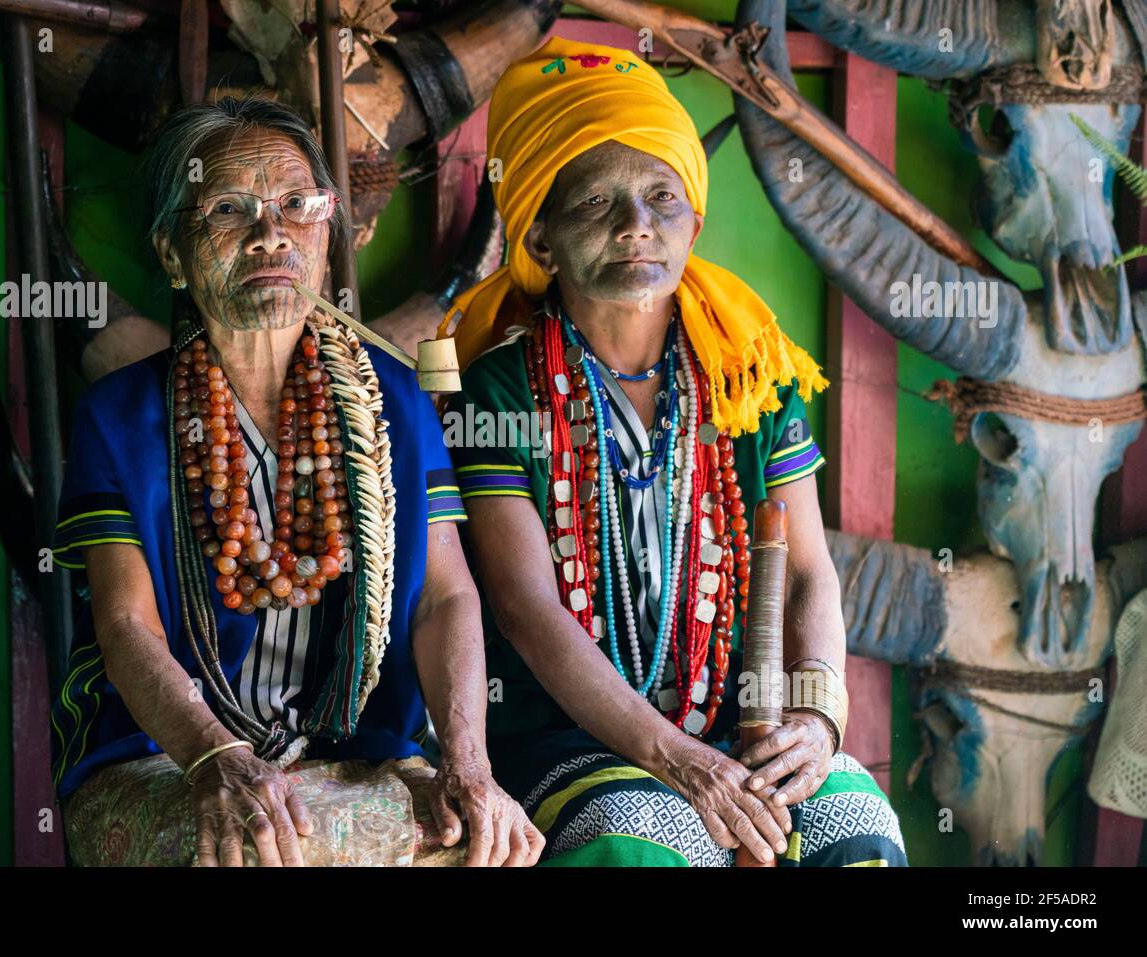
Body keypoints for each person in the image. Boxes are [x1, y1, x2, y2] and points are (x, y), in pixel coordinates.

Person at [442, 36, 907, 867]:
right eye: (596, 203)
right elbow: (527, 609)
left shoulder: (749, 372)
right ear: (541, 241)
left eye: (662, 197)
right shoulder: (500, 394)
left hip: (742, 725)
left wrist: (816, 715)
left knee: (853, 824)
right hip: (567, 736)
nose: (637, 227)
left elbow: (808, 571)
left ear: (695, 220)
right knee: (638, 841)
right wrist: (675, 758)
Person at [49, 93, 542, 867]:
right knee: (244, 849)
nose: (269, 234)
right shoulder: (119, 416)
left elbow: (446, 596)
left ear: (326, 230)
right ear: (174, 254)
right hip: (163, 750)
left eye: (294, 205)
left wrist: (467, 762)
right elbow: (126, 626)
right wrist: (216, 757)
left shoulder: (394, 402)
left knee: (481, 839)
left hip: (361, 743)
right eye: (228, 209)